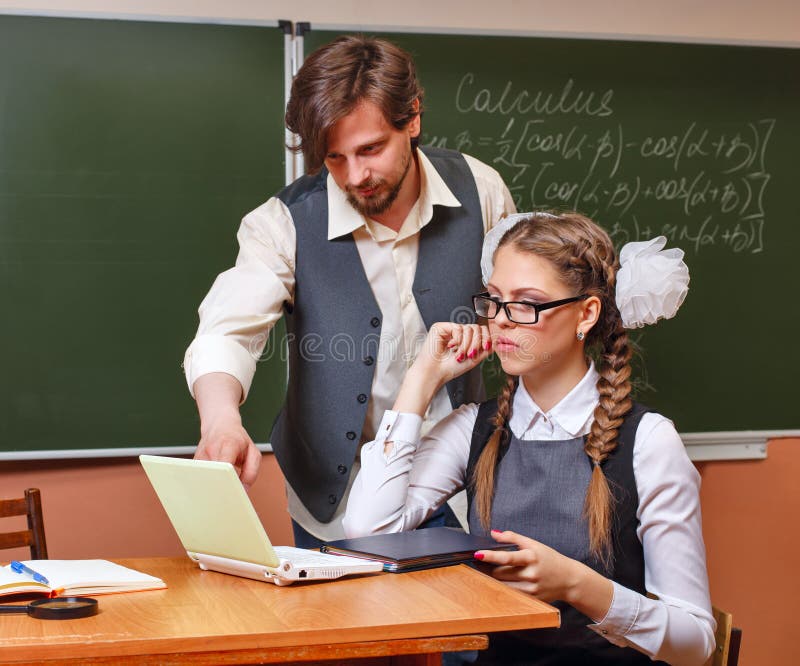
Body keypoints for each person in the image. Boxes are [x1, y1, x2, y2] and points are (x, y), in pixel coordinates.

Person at [183, 35, 515, 547]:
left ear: (413, 119)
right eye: (334, 158)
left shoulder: (482, 189)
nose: (355, 176)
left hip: (457, 486)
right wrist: (221, 421)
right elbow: (227, 330)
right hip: (332, 503)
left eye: (371, 149)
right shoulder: (282, 223)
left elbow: (524, 308)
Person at [343, 211, 714, 665]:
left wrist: (578, 586)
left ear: (586, 313)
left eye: (527, 303)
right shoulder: (473, 429)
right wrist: (420, 379)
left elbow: (695, 643)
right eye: (494, 300)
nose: (501, 321)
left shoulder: (649, 441)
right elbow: (366, 532)